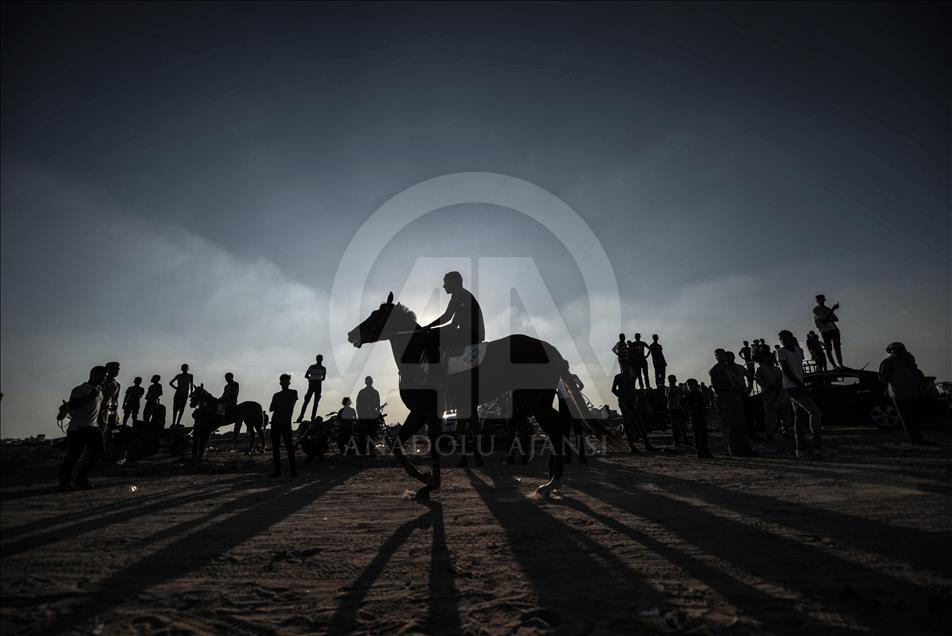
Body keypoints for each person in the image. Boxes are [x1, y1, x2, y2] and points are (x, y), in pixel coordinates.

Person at [59, 366, 108, 489]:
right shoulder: (80, 389)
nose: (104, 378)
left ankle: (81, 478)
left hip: (92, 426)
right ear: (94, 375)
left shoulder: (99, 390)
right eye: (103, 376)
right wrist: (89, 397)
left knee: (99, 451)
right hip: (78, 427)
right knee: (74, 454)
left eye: (105, 376)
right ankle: (65, 482)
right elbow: (74, 405)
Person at [878, 342, 934, 444]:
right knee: (908, 418)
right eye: (894, 349)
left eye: (898, 349)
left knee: (913, 417)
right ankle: (915, 438)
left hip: (911, 393)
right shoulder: (889, 362)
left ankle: (916, 437)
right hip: (901, 394)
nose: (896, 351)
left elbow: (884, 378)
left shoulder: (907, 359)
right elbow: (884, 378)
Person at [777, 330, 823, 452]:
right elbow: (786, 370)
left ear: (791, 338)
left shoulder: (799, 351)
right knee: (815, 412)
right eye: (780, 338)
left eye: (784, 337)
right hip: (791, 387)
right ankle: (816, 443)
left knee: (800, 417)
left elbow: (799, 369)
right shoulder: (781, 352)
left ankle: (800, 448)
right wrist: (800, 384)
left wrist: (803, 382)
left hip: (799, 385)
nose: (782, 340)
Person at [425, 270, 486, 355]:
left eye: (445, 282)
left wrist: (428, 327)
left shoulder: (458, 293)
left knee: (430, 337)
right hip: (475, 335)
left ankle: (435, 368)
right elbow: (454, 325)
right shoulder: (464, 295)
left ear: (453, 282)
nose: (443, 286)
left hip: (469, 334)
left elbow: (447, 317)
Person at [709, 349, 754, 457]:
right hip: (726, 400)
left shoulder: (730, 368)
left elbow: (746, 377)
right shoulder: (715, 370)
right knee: (730, 426)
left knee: (740, 424)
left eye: (721, 354)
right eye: (717, 355)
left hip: (736, 398)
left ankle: (745, 448)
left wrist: (744, 389)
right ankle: (735, 450)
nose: (719, 356)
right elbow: (717, 388)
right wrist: (732, 389)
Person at [755, 352, 793, 451]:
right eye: (769, 358)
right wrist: (769, 387)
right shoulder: (761, 369)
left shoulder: (777, 369)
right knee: (771, 415)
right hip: (769, 394)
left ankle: (786, 432)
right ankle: (770, 433)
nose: (771, 359)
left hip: (781, 393)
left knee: (785, 414)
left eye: (772, 358)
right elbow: (759, 380)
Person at [612, 371, 655, 453]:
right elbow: (613, 390)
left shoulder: (632, 376)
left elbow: (632, 389)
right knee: (628, 424)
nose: (624, 367)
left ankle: (646, 444)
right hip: (624, 403)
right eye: (623, 365)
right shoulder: (618, 377)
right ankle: (631, 445)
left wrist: (636, 395)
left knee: (640, 422)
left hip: (632, 402)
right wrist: (621, 396)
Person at [268, 374, 298, 476]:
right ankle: (278, 471)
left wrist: (279, 406)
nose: (284, 383)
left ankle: (293, 470)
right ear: (280, 382)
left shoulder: (293, 393)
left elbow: (290, 406)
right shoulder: (276, 395)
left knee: (289, 447)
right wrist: (281, 406)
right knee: (276, 447)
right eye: (282, 381)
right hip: (276, 422)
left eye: (286, 381)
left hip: (285, 422)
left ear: (288, 382)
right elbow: (271, 408)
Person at [680, 379, 714, 458]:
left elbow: (703, 404)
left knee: (703, 435)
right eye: (689, 385)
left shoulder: (698, 394)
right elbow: (682, 403)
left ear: (695, 385)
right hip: (695, 416)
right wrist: (690, 409)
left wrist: (704, 411)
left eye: (691, 385)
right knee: (698, 435)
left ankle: (704, 452)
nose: (690, 387)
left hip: (700, 415)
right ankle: (701, 452)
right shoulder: (689, 395)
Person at [813, 294, 844, 368]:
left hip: (834, 329)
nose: (821, 301)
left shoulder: (828, 309)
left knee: (837, 347)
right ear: (817, 301)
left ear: (824, 300)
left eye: (822, 299)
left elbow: (836, 319)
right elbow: (823, 318)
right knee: (828, 348)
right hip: (825, 331)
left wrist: (828, 317)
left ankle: (841, 364)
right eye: (820, 299)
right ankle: (834, 365)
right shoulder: (816, 309)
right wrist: (832, 309)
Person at [296, 354, 327, 423]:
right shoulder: (315, 367)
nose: (319, 360)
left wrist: (312, 379)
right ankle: (302, 416)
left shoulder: (322, 368)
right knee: (308, 401)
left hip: (315, 384)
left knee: (313, 402)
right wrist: (314, 379)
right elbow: (323, 378)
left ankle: (310, 417)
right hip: (315, 384)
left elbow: (307, 375)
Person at [356, 376, 381, 454]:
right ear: (366, 382)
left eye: (369, 381)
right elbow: (358, 404)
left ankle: (370, 451)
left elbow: (378, 404)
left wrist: (377, 413)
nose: (369, 382)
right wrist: (359, 414)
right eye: (368, 381)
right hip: (364, 415)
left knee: (371, 434)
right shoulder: (362, 392)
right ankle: (363, 451)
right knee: (363, 434)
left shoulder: (374, 392)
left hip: (371, 415)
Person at [665, 375, 689, 446]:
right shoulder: (668, 389)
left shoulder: (679, 388)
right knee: (675, 426)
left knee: (682, 425)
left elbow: (683, 397)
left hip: (678, 408)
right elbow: (668, 397)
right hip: (673, 409)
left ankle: (684, 439)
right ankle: (677, 441)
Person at [99, 361, 121, 436]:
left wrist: (114, 409)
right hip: (94, 409)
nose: (116, 371)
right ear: (108, 370)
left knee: (103, 430)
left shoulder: (117, 385)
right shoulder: (100, 381)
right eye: (114, 369)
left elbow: (115, 399)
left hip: (106, 410)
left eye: (118, 370)